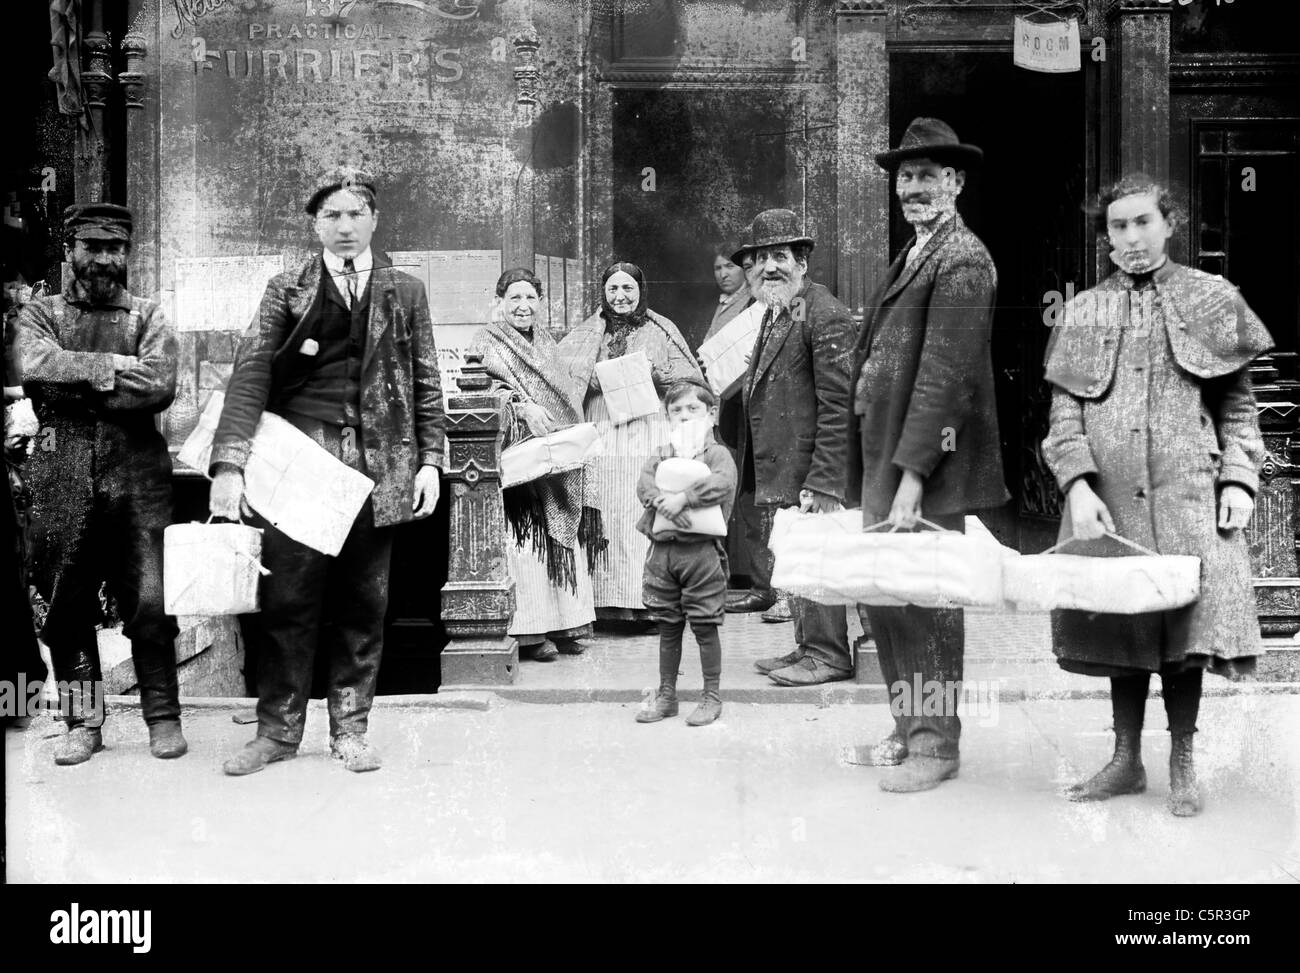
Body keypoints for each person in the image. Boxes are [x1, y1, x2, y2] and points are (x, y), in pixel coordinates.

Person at [1041, 175, 1271, 817]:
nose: (1131, 237)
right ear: (1106, 236)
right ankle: (1124, 759)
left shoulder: (1212, 298)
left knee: (1181, 630)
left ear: (1169, 223)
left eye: (1143, 222)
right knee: (1120, 623)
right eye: (1118, 226)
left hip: (1190, 497)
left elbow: (1240, 408)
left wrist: (1239, 479)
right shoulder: (1084, 309)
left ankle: (1183, 759)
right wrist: (1077, 485)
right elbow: (1063, 415)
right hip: (1107, 499)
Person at [210, 166, 445, 775]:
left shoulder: (406, 290)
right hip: (299, 466)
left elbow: (425, 384)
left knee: (365, 605)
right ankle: (278, 733)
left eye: (355, 213)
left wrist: (431, 461)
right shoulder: (286, 288)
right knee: (288, 601)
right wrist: (229, 466)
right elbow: (251, 376)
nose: (345, 226)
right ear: (315, 223)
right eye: (332, 215)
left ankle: (351, 730)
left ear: (374, 219)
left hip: (379, 465)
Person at [844, 118, 1008, 792]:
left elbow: (947, 378)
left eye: (927, 175)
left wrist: (912, 475)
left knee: (929, 604)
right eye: (905, 176)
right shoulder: (917, 251)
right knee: (890, 600)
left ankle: (937, 744)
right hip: (889, 462)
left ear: (957, 181)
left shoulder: (964, 259)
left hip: (925, 471)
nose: (913, 187)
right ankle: (907, 728)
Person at [15, 203, 185, 764]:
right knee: (66, 601)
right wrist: (114, 369)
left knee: (151, 598)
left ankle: (163, 717)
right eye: (92, 246)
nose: (105, 259)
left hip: (138, 470)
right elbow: (35, 365)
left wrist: (74, 376)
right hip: (60, 466)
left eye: (115, 249)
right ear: (70, 251)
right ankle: (82, 721)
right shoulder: (40, 312)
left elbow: (159, 384)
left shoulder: (149, 315)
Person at [737, 209, 856, 685]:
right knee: (798, 558)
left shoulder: (822, 312)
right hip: (787, 463)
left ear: (802, 262)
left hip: (811, 468)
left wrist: (825, 480)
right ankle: (808, 647)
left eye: (780, 257)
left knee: (816, 556)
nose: (770, 267)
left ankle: (829, 655)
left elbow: (840, 405)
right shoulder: (780, 309)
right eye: (761, 258)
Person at [555, 261, 702, 624]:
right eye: (613, 290)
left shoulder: (661, 329)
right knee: (606, 513)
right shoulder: (588, 332)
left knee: (642, 513)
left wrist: (657, 373)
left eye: (628, 289)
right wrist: (593, 378)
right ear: (604, 293)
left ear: (640, 291)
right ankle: (605, 605)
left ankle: (650, 605)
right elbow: (563, 378)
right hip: (602, 432)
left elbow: (692, 380)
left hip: (647, 432)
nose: (620, 297)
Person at [472, 267, 601, 663]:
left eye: (530, 298)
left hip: (556, 456)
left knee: (559, 538)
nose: (523, 306)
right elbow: (480, 388)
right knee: (527, 548)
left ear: (541, 303)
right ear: (500, 303)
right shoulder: (486, 340)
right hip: (519, 459)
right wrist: (521, 406)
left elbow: (562, 391)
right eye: (515, 298)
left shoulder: (546, 340)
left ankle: (567, 626)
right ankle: (531, 633)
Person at [635, 379, 737, 726]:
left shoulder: (717, 454)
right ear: (667, 417)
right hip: (663, 553)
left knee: (705, 626)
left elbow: (722, 483)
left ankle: (711, 696)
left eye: (693, 409)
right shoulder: (662, 453)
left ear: (711, 414)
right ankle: (667, 695)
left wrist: (684, 498)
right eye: (676, 410)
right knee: (668, 626)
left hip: (701, 555)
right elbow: (645, 483)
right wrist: (660, 501)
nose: (684, 416)